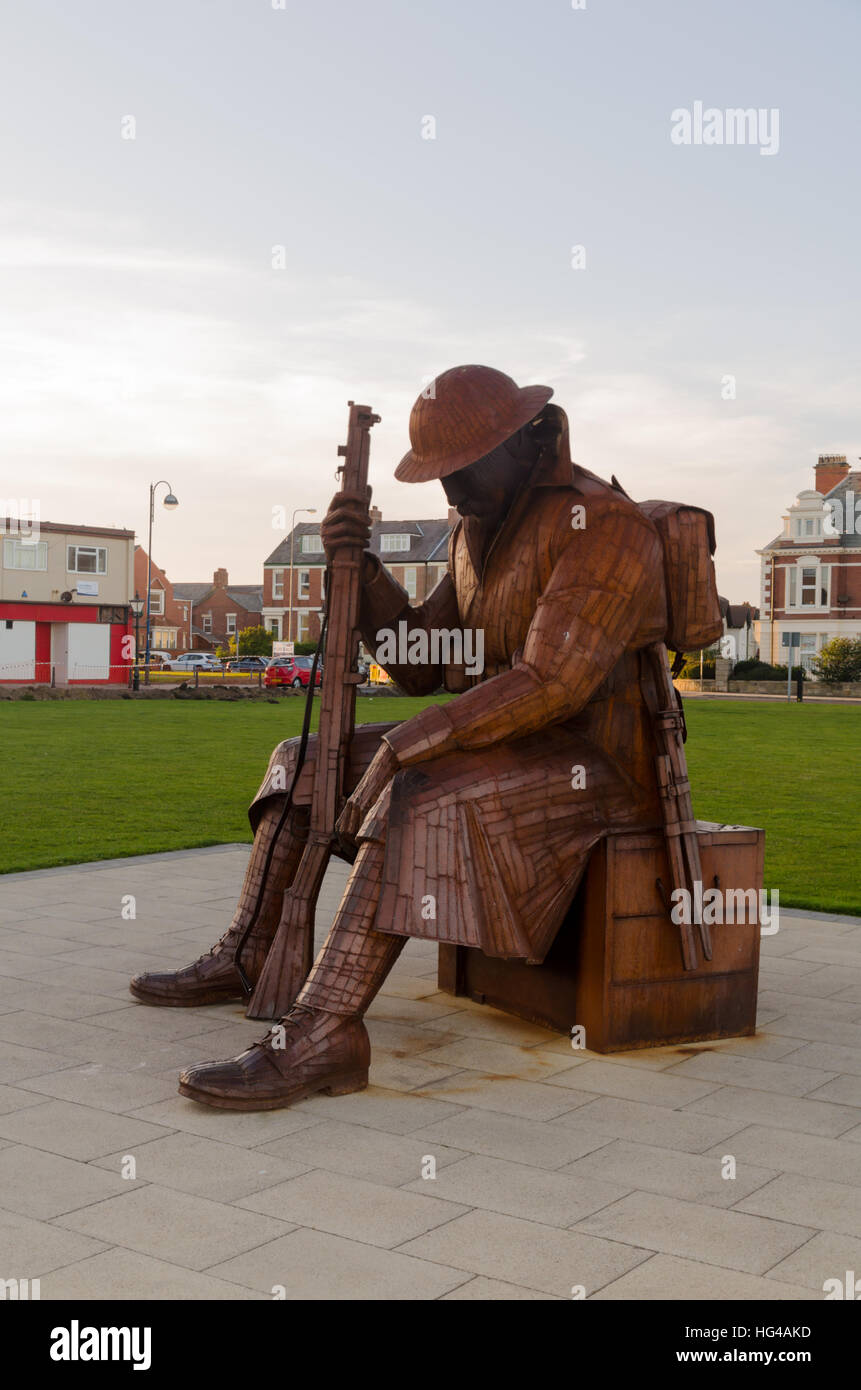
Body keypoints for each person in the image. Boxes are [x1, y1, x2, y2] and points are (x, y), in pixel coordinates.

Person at [130, 364, 668, 1110]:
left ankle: (325, 1029)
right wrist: (366, 571)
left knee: (418, 791)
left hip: (596, 766)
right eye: (440, 476)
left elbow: (555, 682)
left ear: (519, 442)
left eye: (463, 468)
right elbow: (423, 665)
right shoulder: (475, 534)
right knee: (301, 761)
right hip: (500, 745)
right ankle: (251, 950)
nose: (450, 492)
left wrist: (418, 740)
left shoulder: (603, 525)